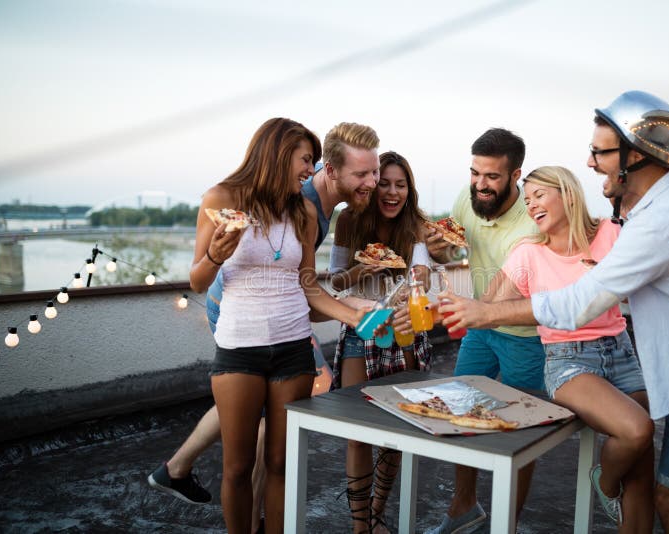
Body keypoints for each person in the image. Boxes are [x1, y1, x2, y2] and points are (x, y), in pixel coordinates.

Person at [438, 91, 669, 534]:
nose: (592, 161)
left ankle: (609, 483)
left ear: (634, 155)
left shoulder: (649, 222)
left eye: (600, 152)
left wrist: (481, 314)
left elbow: (582, 302)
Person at [148, 121, 382, 533]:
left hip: (293, 348)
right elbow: (198, 281)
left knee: (280, 463)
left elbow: (308, 287)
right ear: (277, 152)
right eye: (305, 159)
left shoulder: (303, 211)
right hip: (240, 347)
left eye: (313, 160)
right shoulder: (220, 199)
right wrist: (216, 256)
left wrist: (354, 313)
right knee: (237, 468)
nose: (310, 170)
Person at [490, 165, 654, 531]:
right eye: (527, 199)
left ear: (566, 193)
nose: (531, 205)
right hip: (568, 361)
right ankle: (605, 481)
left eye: (539, 195)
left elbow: (643, 286)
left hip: (622, 352)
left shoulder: (612, 233)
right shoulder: (528, 253)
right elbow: (489, 307)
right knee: (638, 430)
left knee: (642, 472)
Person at [424, 128, 545, 534]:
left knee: (519, 433)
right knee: (459, 413)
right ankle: (464, 507)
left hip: (526, 338)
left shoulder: (534, 217)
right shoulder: (468, 196)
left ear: (516, 175)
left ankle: (506, 524)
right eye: (475, 172)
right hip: (480, 328)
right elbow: (449, 245)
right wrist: (438, 246)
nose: (480, 184)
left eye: (492, 176)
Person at [329, 151, 433, 533]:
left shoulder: (416, 224)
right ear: (372, 187)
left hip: (404, 328)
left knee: (396, 430)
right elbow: (336, 282)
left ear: (409, 188)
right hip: (362, 327)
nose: (392, 192)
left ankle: (377, 513)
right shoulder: (349, 220)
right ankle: (360, 526)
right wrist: (361, 269)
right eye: (384, 183)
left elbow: (420, 276)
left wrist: (413, 287)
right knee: (359, 432)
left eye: (400, 184)